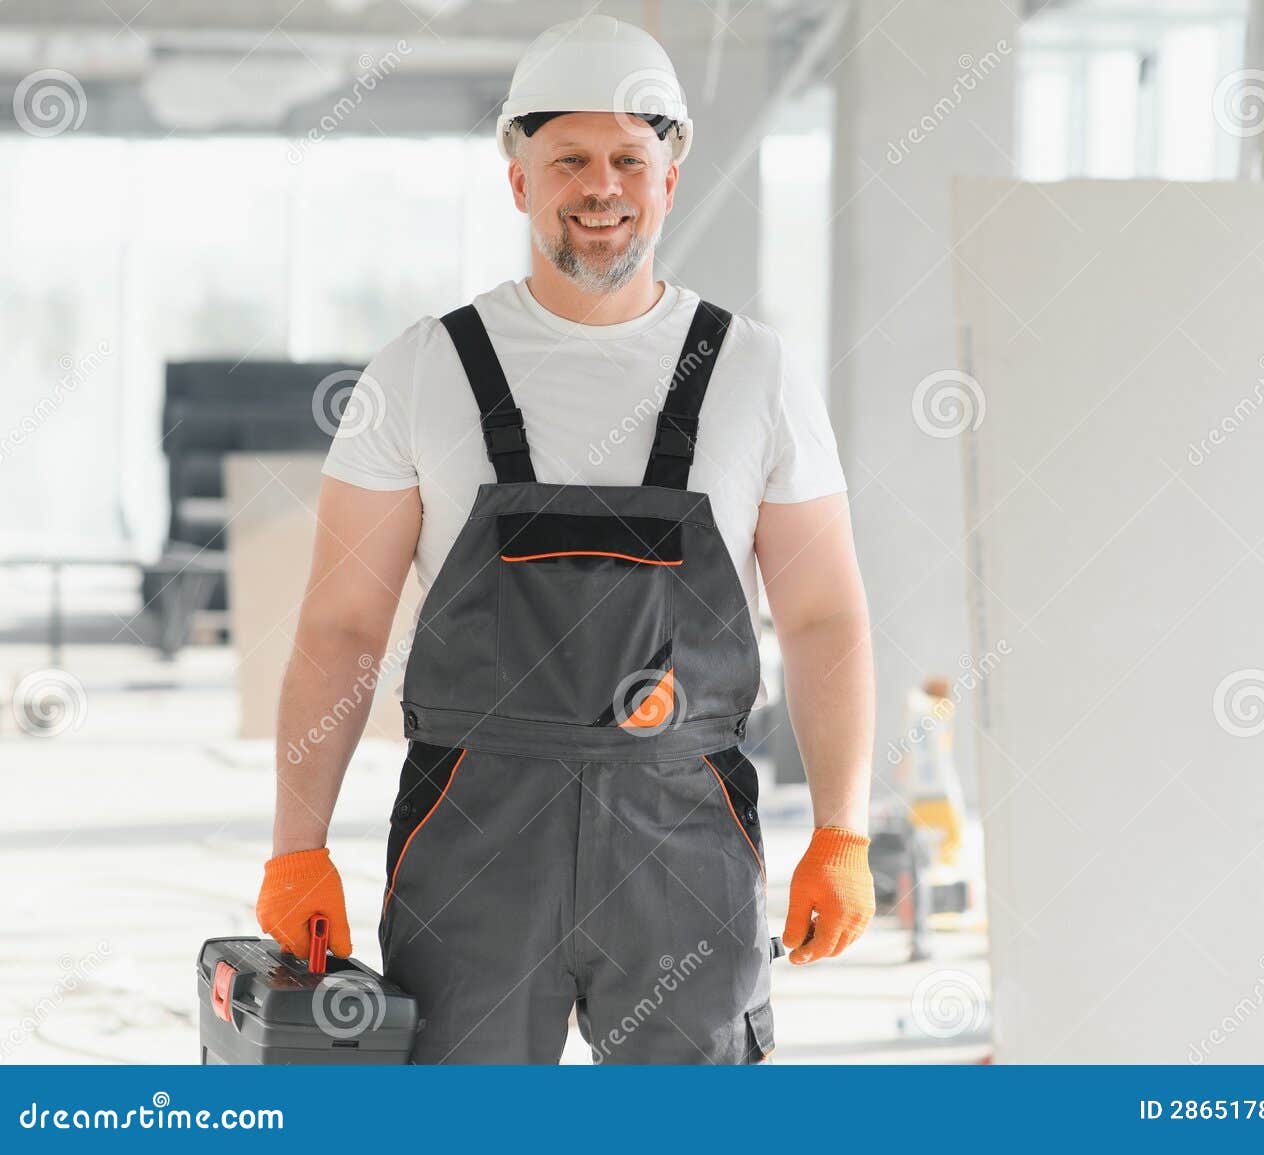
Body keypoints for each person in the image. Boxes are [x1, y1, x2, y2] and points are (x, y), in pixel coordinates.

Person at [252, 14, 876, 1064]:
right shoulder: (421, 370)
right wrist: (294, 848)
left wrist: (845, 830)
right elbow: (341, 627)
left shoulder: (754, 373)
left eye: (630, 159)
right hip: (474, 844)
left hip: (683, 842)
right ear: (518, 181)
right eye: (569, 160)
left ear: (668, 180)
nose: (601, 187)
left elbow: (823, 615)